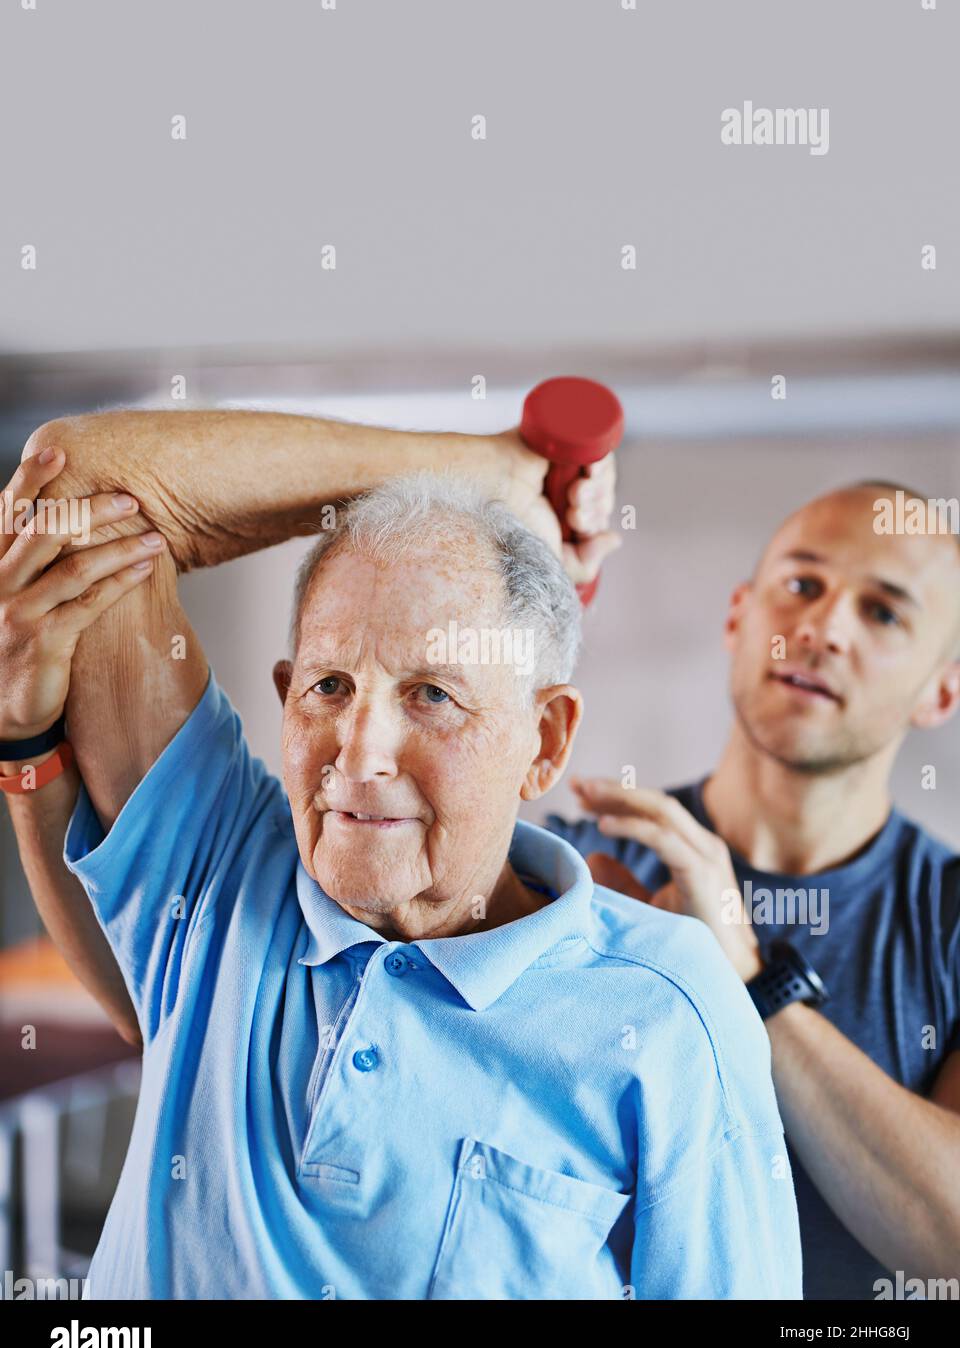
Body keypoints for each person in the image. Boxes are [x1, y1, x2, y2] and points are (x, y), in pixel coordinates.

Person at [0, 418, 801, 1299]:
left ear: (545, 738)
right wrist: (497, 471)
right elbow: (78, 480)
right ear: (285, 697)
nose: (357, 752)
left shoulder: (667, 1010)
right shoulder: (224, 869)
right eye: (329, 686)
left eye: (431, 695)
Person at [547, 482, 960, 1299]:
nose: (823, 629)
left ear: (942, 691)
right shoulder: (568, 872)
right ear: (740, 618)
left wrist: (738, 974)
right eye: (802, 586)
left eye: (882, 612)